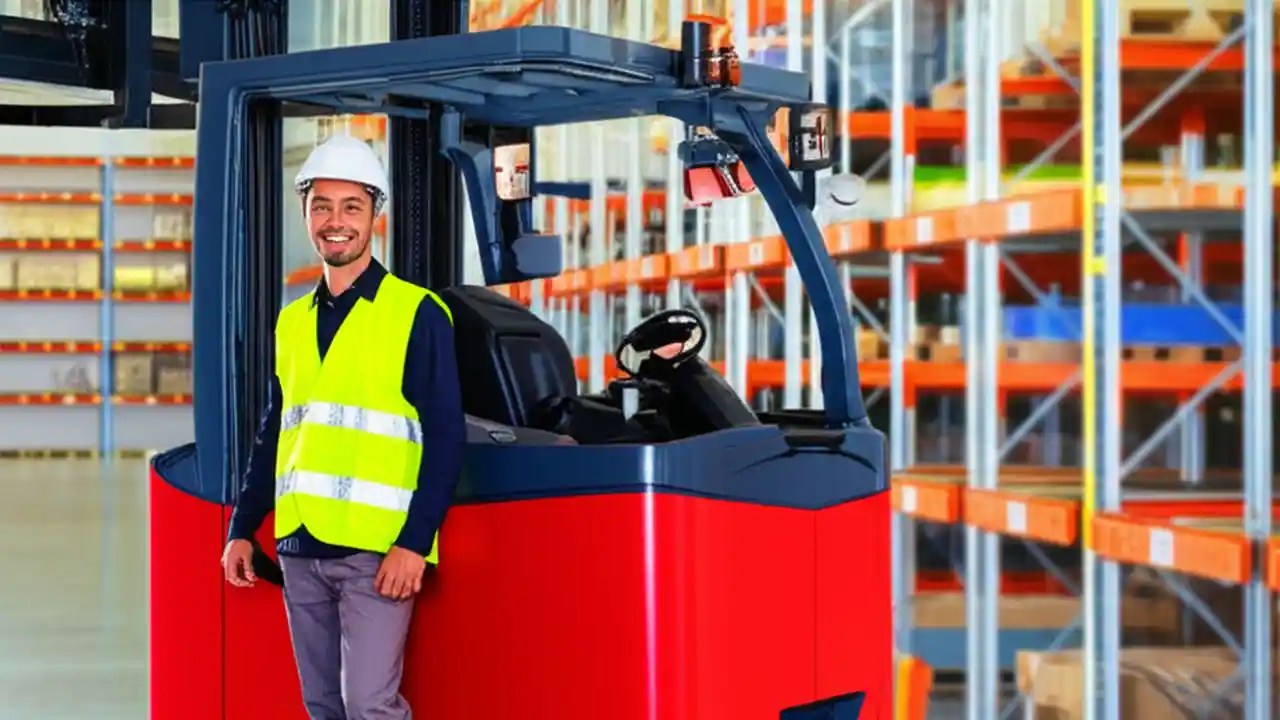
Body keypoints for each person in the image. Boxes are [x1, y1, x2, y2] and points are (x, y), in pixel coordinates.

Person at [219, 133, 465, 720]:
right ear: (305, 213)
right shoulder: (292, 322)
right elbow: (277, 430)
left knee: (369, 705)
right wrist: (242, 527)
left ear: (375, 215)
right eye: (321, 206)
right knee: (322, 705)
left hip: (374, 552)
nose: (336, 221)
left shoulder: (416, 313)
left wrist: (414, 542)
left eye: (351, 207)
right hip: (301, 547)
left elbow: (445, 435)